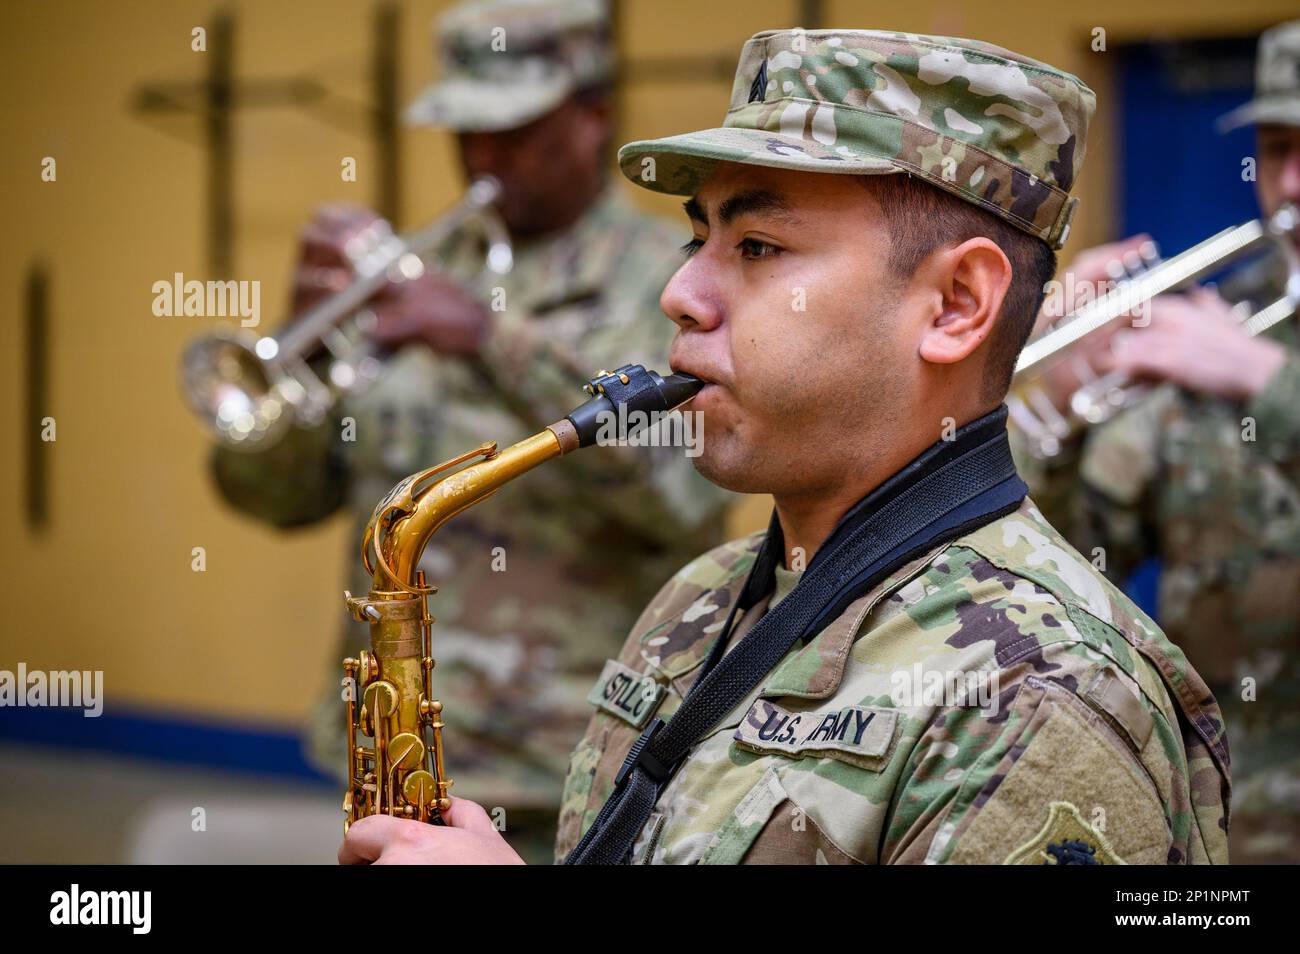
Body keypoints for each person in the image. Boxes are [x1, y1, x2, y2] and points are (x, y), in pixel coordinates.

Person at [338, 28, 1230, 865]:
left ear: (957, 304)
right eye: (700, 237)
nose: (680, 293)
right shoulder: (700, 599)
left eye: (757, 245)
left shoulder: (1036, 698)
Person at [209, 0, 728, 862]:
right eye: (466, 132)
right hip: (390, 752)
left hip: (575, 763)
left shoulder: (677, 283)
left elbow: (682, 498)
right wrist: (296, 369)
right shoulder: (412, 277)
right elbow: (276, 499)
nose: (484, 157)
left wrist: (492, 341)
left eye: (515, 129)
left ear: (594, 115)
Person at [1021, 20, 1300, 863]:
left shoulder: (1235, 352)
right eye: (1278, 148)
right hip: (1224, 827)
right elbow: (1069, 561)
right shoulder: (1217, 320)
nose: (1291, 184)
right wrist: (1059, 405)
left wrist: (1267, 383)